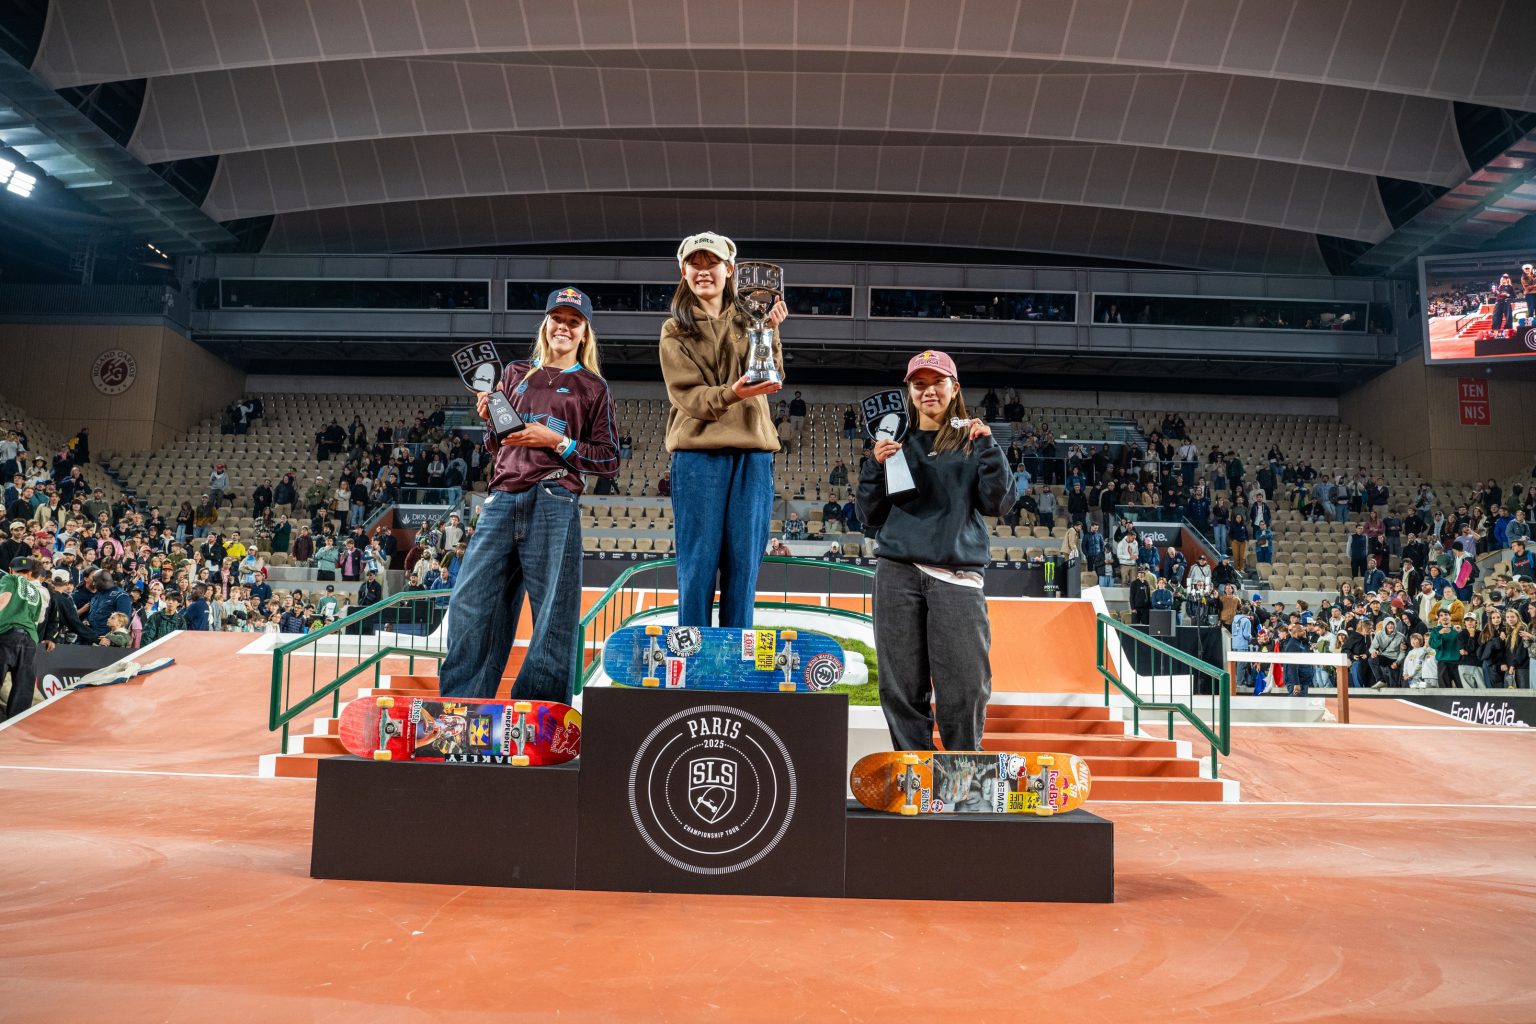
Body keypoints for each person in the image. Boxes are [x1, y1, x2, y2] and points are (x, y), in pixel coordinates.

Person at [438, 287, 617, 705]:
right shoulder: (515, 373)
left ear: (585, 333)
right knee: (470, 603)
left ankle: (539, 709)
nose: (564, 327)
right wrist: (490, 418)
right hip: (501, 497)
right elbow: (497, 443)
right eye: (558, 319)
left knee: (553, 613)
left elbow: (608, 460)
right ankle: (463, 705)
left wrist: (558, 441)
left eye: (574, 322)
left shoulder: (593, 387)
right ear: (546, 325)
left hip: (555, 497)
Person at [857, 350, 1014, 751]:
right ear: (909, 390)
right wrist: (875, 466)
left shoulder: (972, 439)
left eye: (937, 382)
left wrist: (990, 449)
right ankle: (916, 774)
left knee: (964, 684)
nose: (929, 391)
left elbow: (999, 503)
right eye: (919, 384)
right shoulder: (891, 441)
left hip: (956, 573)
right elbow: (869, 515)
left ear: (954, 387)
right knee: (901, 685)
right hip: (897, 571)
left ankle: (964, 772)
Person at [659, 232, 786, 628]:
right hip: (698, 454)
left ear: (729, 269)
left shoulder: (752, 317)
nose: (703, 271)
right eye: (694, 264)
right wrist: (731, 393)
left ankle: (736, 661)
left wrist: (769, 329)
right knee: (696, 567)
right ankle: (692, 663)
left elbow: (771, 374)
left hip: (752, 453)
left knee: (743, 566)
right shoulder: (674, 330)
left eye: (710, 263)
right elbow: (688, 396)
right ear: (683, 273)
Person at [0, 556, 47, 719]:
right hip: (29, 641)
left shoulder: (9, 578)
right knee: (24, 687)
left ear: (11, 569)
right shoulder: (37, 591)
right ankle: (16, 725)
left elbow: (4, 599)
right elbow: (37, 619)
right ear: (29, 573)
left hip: (7, 635)